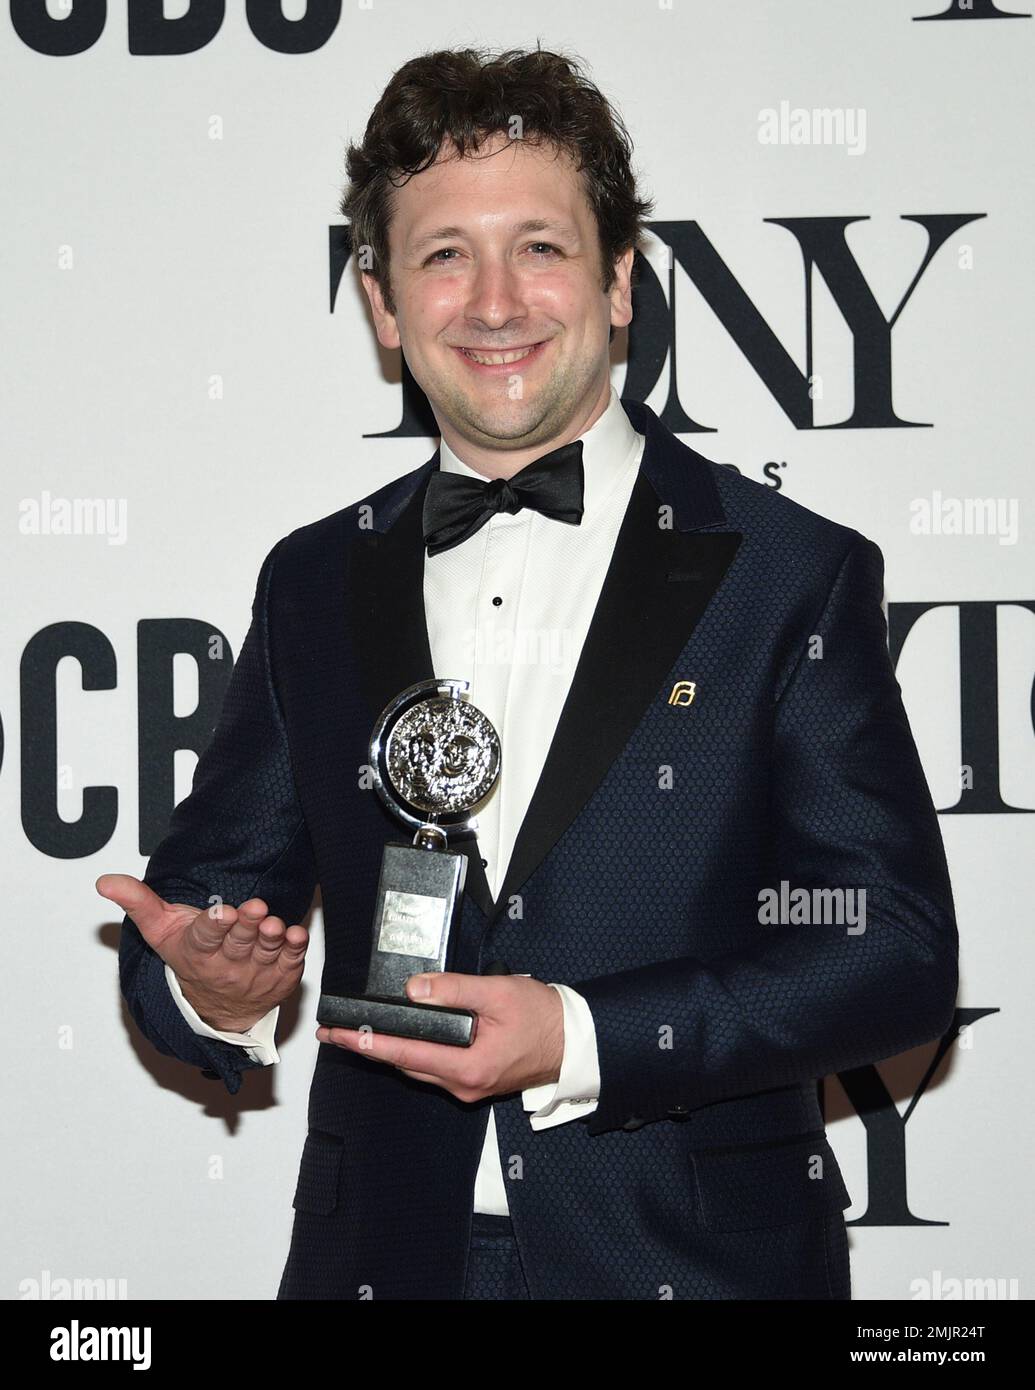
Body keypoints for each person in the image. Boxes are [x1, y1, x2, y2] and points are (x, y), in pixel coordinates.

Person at [96, 44, 958, 1300]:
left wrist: (583, 1036)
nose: (494, 301)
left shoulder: (788, 576)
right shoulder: (314, 581)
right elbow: (206, 904)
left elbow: (892, 954)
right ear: (384, 304)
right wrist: (214, 981)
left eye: (540, 247)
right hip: (381, 1264)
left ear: (619, 282)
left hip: (696, 1266)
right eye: (443, 254)